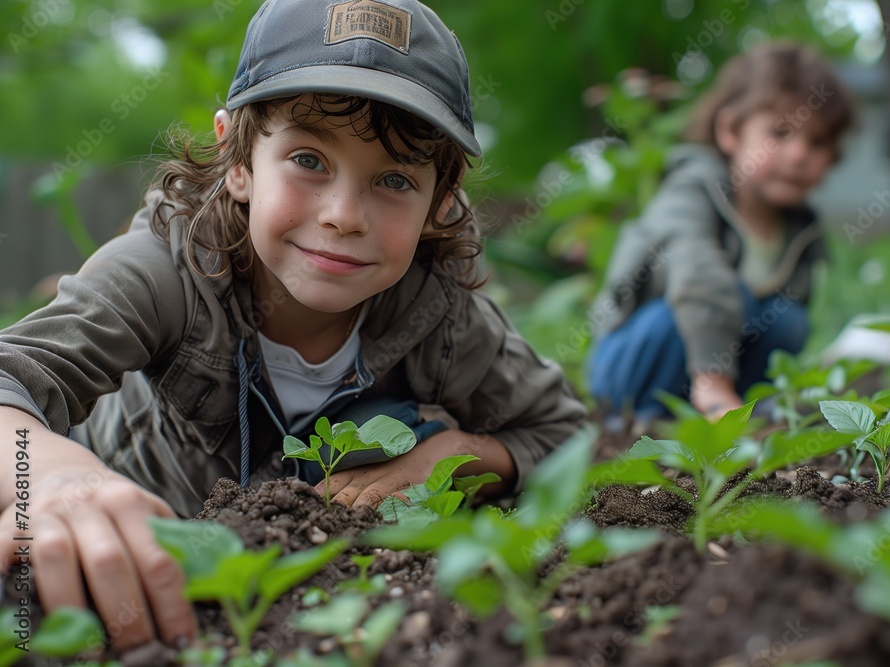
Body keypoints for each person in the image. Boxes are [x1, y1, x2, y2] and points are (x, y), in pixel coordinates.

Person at [0, 0, 587, 650]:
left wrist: (455, 457)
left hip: (329, 608)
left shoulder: (439, 316)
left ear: (441, 201)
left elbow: (561, 430)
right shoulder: (163, 272)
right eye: (309, 160)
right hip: (145, 570)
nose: (343, 215)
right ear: (238, 160)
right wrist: (54, 477)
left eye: (394, 178)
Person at [587, 42, 856, 428]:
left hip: (713, 370)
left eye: (817, 142)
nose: (799, 154)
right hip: (631, 363)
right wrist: (713, 383)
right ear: (730, 131)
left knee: (788, 319)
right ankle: (642, 420)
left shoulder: (801, 229)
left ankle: (739, 410)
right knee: (732, 292)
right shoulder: (693, 189)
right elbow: (698, 275)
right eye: (779, 133)